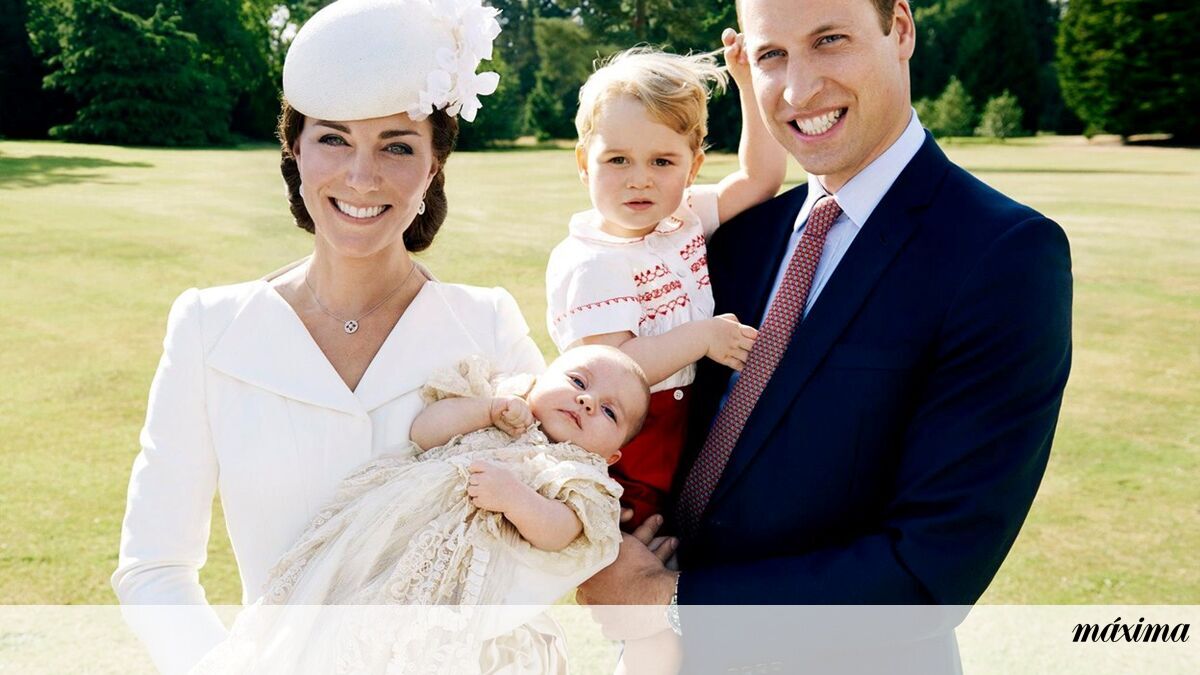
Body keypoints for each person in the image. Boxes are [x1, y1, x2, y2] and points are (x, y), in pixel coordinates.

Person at [577, 0, 1074, 672]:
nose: (798, 88)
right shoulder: (736, 237)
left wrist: (669, 600)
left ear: (899, 28)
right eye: (771, 55)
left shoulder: (1002, 254)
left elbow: (929, 566)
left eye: (830, 40)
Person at [111, 1, 546, 673]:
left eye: (397, 146)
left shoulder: (487, 323)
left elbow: (549, 534)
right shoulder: (209, 328)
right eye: (333, 139)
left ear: (433, 166)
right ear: (295, 150)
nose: (361, 176)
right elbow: (154, 565)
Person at [190, 347, 650, 673]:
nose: (587, 401)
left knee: (408, 643)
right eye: (577, 382)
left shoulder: (580, 474)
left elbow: (563, 531)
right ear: (542, 376)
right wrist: (486, 410)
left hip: (450, 577)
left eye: (609, 413)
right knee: (333, 610)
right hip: (386, 536)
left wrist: (516, 498)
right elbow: (425, 432)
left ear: (611, 457)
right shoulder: (502, 401)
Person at [545, 43, 786, 530]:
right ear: (584, 162)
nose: (640, 181)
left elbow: (760, 180)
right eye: (617, 160)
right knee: (634, 532)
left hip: (685, 415)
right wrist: (705, 337)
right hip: (626, 432)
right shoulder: (590, 262)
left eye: (662, 162)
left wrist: (748, 86)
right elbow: (616, 370)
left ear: (693, 168)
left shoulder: (684, 216)